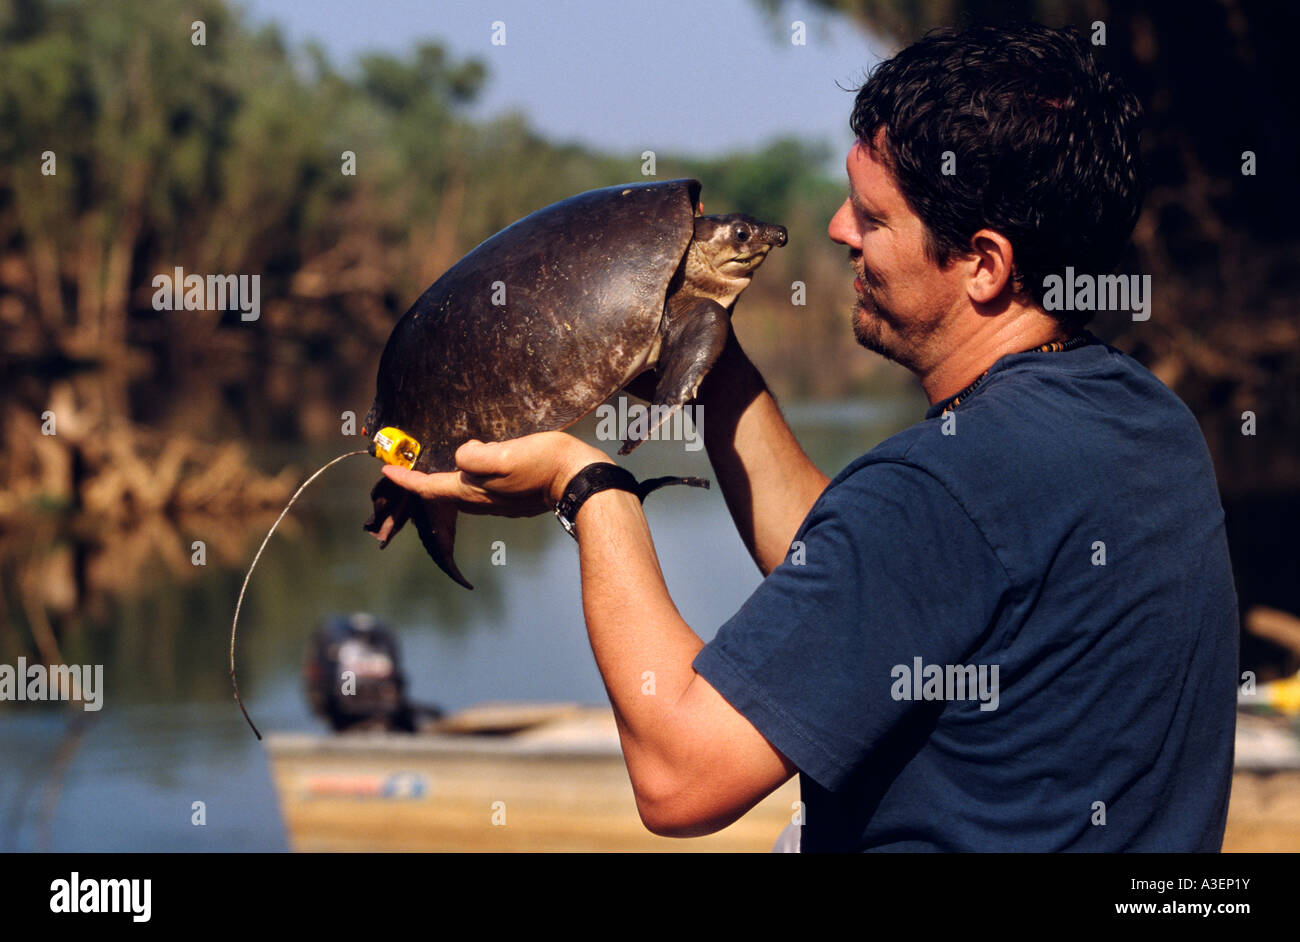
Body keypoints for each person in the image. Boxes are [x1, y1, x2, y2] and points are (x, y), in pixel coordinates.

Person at [380, 23, 1239, 852]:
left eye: (873, 217)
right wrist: (704, 356)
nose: (836, 229)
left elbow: (680, 778)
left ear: (984, 262)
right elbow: (871, 580)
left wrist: (588, 488)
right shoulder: (1145, 419)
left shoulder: (944, 488)